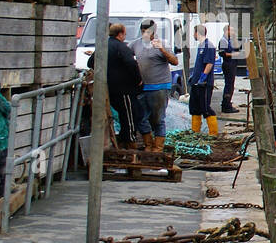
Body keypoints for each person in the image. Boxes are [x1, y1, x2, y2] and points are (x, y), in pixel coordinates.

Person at [88, 22, 143, 148]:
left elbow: (91, 63)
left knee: (123, 114)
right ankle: (130, 142)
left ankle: (123, 140)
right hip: (124, 88)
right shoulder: (121, 48)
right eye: (124, 33)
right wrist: (138, 79)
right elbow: (131, 63)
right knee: (129, 115)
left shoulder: (103, 46)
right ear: (120, 34)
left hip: (108, 88)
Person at [131, 19, 178, 151]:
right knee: (141, 117)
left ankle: (157, 148)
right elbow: (125, 54)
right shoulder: (136, 44)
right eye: (143, 31)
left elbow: (174, 61)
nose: (146, 34)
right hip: (143, 88)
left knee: (158, 119)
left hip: (159, 87)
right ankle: (148, 144)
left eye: (148, 32)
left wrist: (162, 50)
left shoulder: (162, 44)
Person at [187, 23, 218, 136]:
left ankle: (213, 133)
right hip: (196, 84)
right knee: (195, 108)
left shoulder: (208, 46)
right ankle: (195, 132)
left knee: (205, 108)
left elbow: (209, 63)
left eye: (193, 33)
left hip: (204, 84)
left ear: (197, 33)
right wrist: (194, 78)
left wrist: (202, 78)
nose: (193, 36)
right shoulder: (201, 45)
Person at [217, 24, 241, 113]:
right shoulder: (223, 41)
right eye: (232, 31)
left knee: (231, 85)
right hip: (228, 64)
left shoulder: (229, 40)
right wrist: (233, 55)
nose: (234, 33)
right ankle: (226, 105)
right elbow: (222, 53)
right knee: (229, 85)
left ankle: (228, 103)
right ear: (227, 31)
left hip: (232, 64)